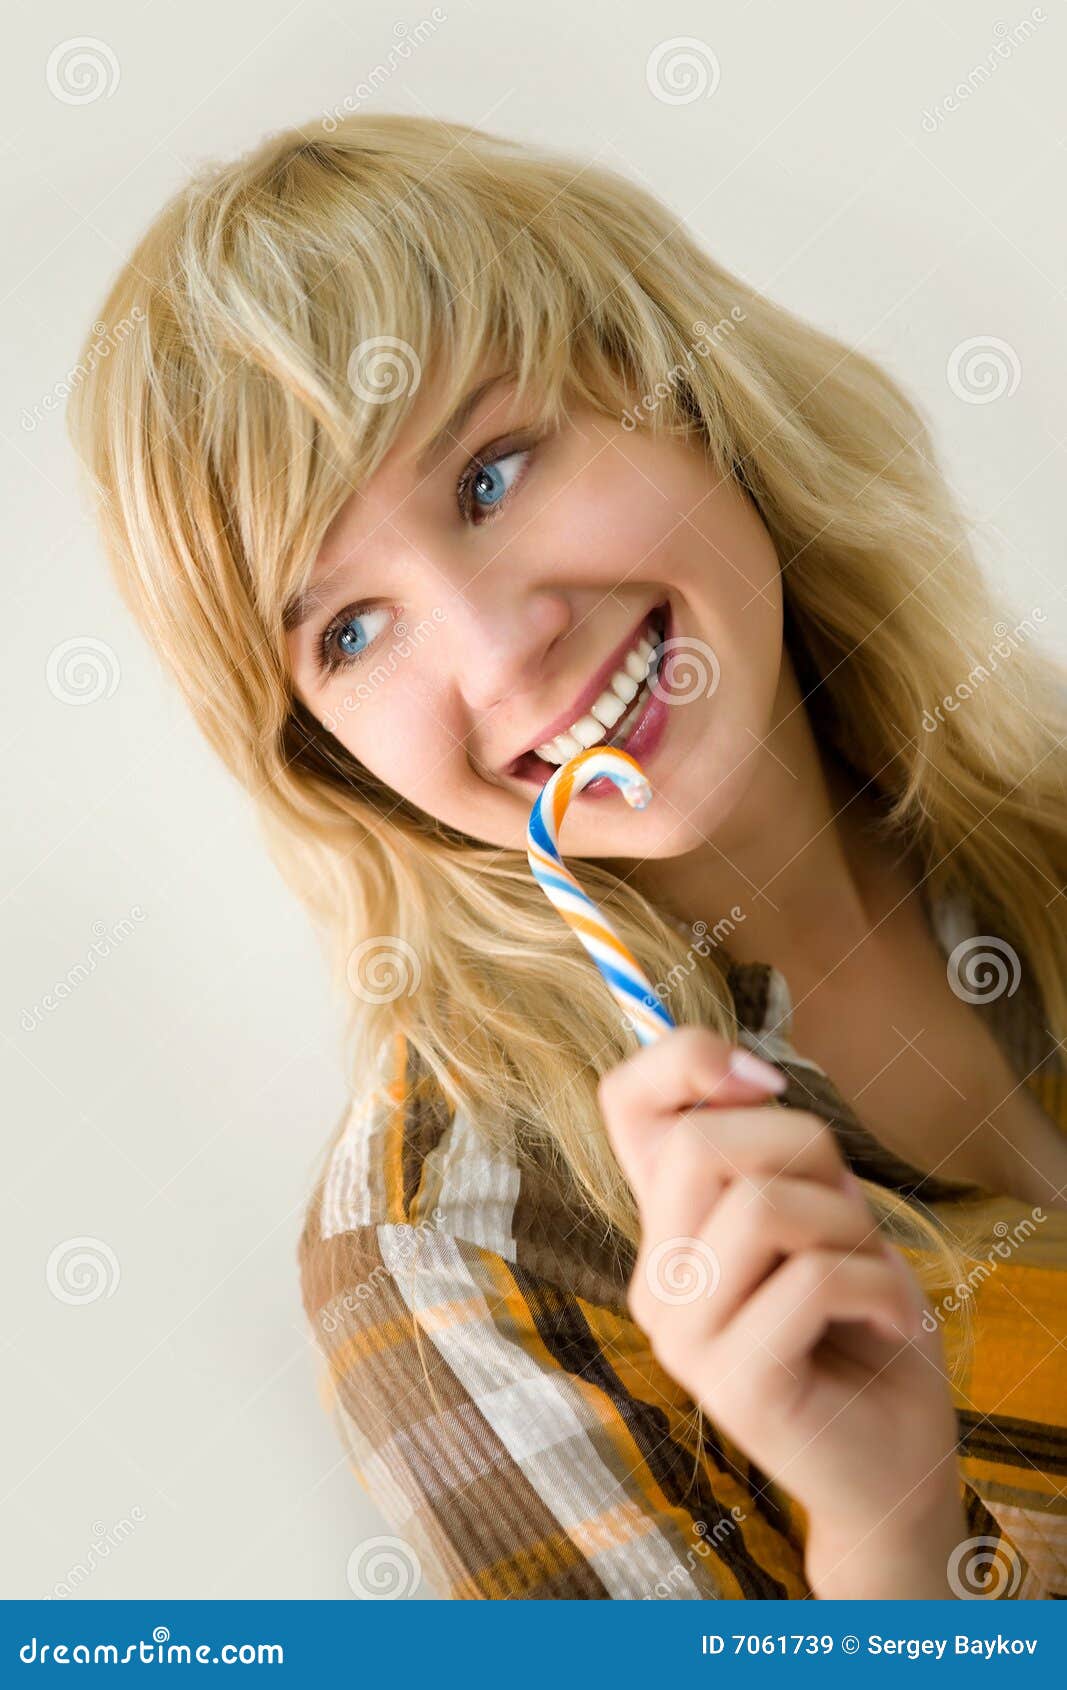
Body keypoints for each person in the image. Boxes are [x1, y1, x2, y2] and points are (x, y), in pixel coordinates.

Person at [67, 112, 1067, 1600]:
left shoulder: (1030, 807)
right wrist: (888, 1538)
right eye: (350, 630)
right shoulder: (447, 1249)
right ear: (326, 752)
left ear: (683, 390)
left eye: (490, 473)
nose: (498, 651)